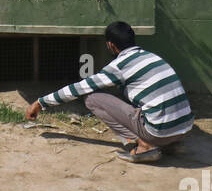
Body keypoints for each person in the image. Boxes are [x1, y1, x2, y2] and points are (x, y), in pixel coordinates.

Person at [24, 20, 193, 164]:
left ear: (110, 45)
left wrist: (40, 103)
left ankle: (145, 146)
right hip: (184, 129)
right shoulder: (153, 57)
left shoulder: (119, 66)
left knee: (92, 98)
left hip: (159, 132)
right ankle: (170, 144)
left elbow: (78, 89)